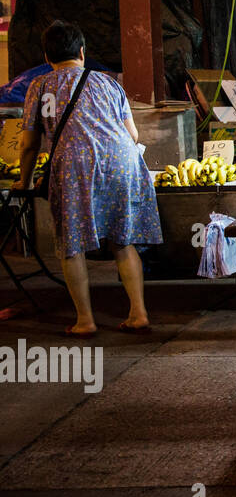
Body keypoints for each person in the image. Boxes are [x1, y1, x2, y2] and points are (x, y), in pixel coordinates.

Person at [14, 21, 162, 335]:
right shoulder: (109, 83)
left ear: (46, 55)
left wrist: (24, 181)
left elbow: (28, 145)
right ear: (82, 51)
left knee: (73, 244)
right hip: (122, 161)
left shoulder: (40, 86)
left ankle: (85, 320)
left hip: (74, 166)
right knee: (123, 242)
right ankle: (139, 314)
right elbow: (132, 134)